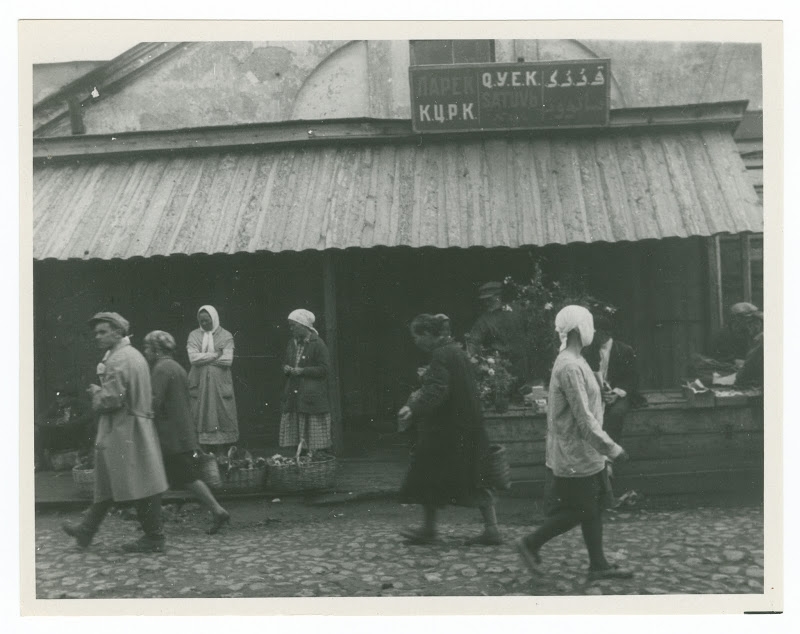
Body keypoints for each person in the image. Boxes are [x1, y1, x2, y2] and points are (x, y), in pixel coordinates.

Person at [517, 306, 633, 581]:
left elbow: (586, 403)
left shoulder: (576, 360)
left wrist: (598, 389)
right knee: (582, 509)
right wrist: (612, 448)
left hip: (585, 450)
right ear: (579, 329)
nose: (593, 330)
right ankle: (530, 543)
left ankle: (598, 564)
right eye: (589, 325)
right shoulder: (569, 365)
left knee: (593, 505)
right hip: (576, 451)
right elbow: (583, 418)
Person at [62, 312, 169, 553]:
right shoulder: (134, 355)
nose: (97, 337)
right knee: (114, 482)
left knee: (137, 483)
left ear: (118, 332)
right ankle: (86, 531)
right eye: (96, 333)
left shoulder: (118, 360)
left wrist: (96, 394)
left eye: (103, 332)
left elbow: (112, 399)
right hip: (135, 425)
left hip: (124, 429)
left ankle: (154, 537)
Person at [397, 313, 502, 546]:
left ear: (427, 334)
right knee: (476, 477)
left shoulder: (441, 355)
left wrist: (413, 408)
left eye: (416, 336)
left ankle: (429, 529)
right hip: (468, 425)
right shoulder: (456, 351)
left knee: (426, 471)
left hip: (449, 429)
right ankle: (491, 529)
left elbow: (437, 390)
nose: (415, 341)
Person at [144, 330, 231, 535]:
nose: (145, 352)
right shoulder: (176, 367)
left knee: (185, 478)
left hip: (168, 435)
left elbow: (154, 402)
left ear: (157, 349)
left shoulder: (161, 369)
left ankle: (217, 510)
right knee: (177, 477)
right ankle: (153, 519)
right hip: (180, 432)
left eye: (147, 347)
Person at [583, 313, 643, 507]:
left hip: (619, 394)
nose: (592, 335)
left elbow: (632, 378)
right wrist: (598, 392)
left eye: (595, 332)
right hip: (597, 394)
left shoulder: (624, 350)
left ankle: (608, 461)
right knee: (591, 416)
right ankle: (593, 465)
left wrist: (616, 393)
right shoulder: (588, 351)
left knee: (616, 413)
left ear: (604, 333)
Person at [279, 309, 333, 455]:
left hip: (311, 395)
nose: (291, 329)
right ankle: (301, 458)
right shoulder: (292, 343)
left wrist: (303, 371)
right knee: (298, 432)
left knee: (313, 434)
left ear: (303, 325)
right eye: (290, 326)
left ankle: (315, 459)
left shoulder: (318, 344)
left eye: (293, 326)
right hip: (295, 394)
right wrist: (286, 368)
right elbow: (286, 361)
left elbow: (325, 369)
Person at [187, 305, 239, 454]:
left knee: (221, 413)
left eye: (207, 321)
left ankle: (221, 453)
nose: (204, 324)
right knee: (200, 413)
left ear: (214, 318)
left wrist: (203, 358)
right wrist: (216, 354)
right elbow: (193, 358)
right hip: (200, 382)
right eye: (201, 321)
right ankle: (203, 453)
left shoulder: (226, 336)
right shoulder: (194, 335)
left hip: (219, 383)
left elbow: (227, 360)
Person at [466, 281, 530, 393]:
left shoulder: (517, 311)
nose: (486, 303)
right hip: (502, 367)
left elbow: (529, 330)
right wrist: (472, 358)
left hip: (521, 365)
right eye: (484, 300)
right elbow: (473, 341)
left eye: (488, 299)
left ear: (498, 297)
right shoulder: (485, 319)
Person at [35, 387, 92, 471]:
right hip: (61, 438)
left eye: (62, 397)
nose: (59, 400)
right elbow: (40, 419)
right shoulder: (56, 406)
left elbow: (88, 417)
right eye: (58, 398)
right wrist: (56, 422)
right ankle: (40, 462)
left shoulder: (81, 405)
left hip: (77, 437)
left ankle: (84, 458)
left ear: (70, 397)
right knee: (38, 431)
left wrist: (70, 423)